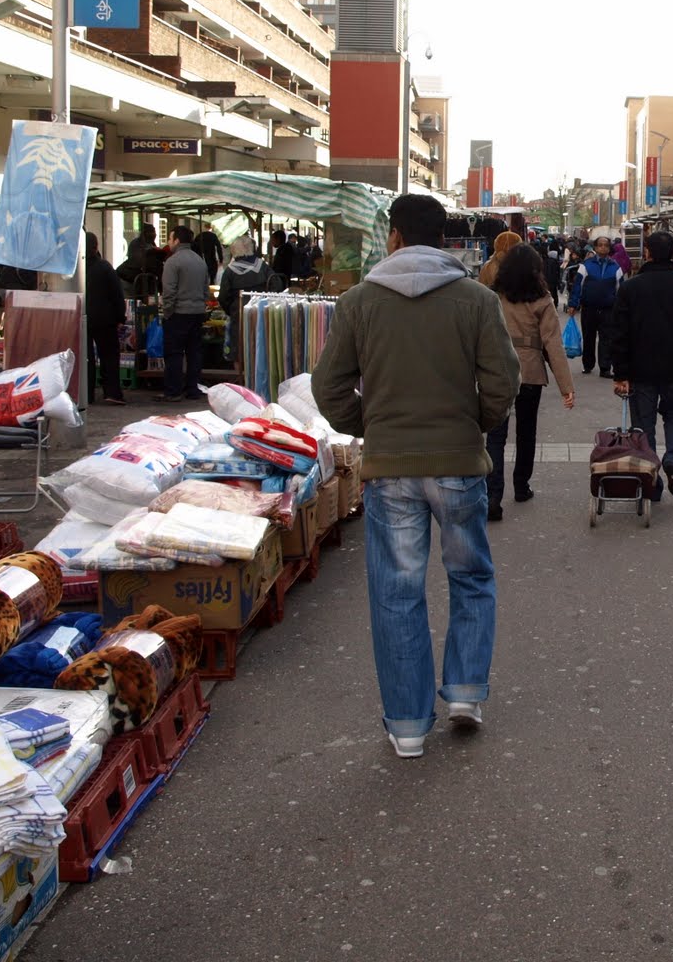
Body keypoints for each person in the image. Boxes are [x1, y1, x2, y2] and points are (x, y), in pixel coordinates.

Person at [312, 193, 519, 759]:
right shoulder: (476, 300)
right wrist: (470, 424)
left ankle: (406, 725)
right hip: (458, 464)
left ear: (394, 237)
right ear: (445, 240)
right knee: (471, 576)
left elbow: (329, 390)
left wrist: (373, 425)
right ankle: (466, 694)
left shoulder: (358, 303)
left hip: (391, 470)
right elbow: (503, 382)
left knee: (396, 593)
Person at [607, 231, 673, 502]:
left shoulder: (631, 288)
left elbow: (619, 334)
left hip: (640, 370)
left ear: (648, 253)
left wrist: (620, 374)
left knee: (644, 425)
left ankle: (650, 477)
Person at [484, 244, 575, 520]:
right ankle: (521, 486)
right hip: (531, 372)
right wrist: (566, 387)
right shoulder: (542, 299)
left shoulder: (492, 296)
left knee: (496, 436)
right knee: (526, 432)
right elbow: (553, 345)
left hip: (497, 369)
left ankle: (493, 496)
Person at [158, 226, 209, 403]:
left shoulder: (173, 262)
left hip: (178, 313)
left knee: (174, 353)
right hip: (197, 312)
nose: (169, 242)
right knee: (194, 352)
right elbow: (205, 290)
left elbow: (169, 291)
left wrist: (168, 312)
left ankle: (173, 390)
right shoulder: (199, 261)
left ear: (177, 240)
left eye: (170, 238)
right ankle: (192, 389)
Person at [568, 236, 623, 377]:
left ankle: (605, 368)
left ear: (609, 248)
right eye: (600, 245)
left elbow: (621, 290)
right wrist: (573, 304)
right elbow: (577, 286)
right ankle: (588, 364)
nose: (603, 247)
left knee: (606, 338)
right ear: (596, 247)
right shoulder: (585, 266)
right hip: (589, 309)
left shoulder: (616, 268)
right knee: (589, 337)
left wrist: (621, 309)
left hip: (608, 310)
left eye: (606, 245)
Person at [84, 231, 126, 406]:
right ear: (96, 247)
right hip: (105, 319)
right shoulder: (104, 267)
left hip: (82, 318)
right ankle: (112, 392)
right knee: (109, 356)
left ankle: (86, 394)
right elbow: (117, 294)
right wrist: (120, 317)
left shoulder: (75, 269)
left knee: (86, 358)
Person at [218, 237, 273, 361]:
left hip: (239, 313)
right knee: (259, 346)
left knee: (238, 350)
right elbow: (275, 284)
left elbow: (223, 297)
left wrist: (231, 309)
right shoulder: (263, 266)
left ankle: (241, 377)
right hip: (261, 311)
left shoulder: (230, 271)